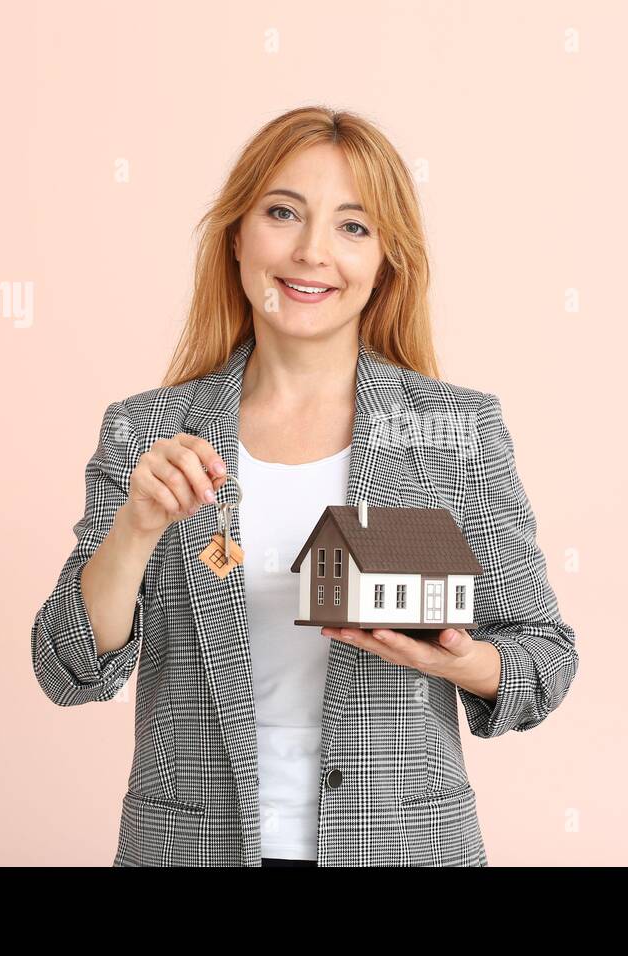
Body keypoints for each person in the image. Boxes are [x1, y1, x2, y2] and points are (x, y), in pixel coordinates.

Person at [31, 106, 578, 866]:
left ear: (386, 260)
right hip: (187, 848)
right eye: (283, 213)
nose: (312, 252)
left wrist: (461, 663)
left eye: (353, 226)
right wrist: (135, 528)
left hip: (403, 848)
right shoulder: (147, 430)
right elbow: (66, 670)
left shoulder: (457, 431)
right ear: (237, 236)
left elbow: (544, 659)